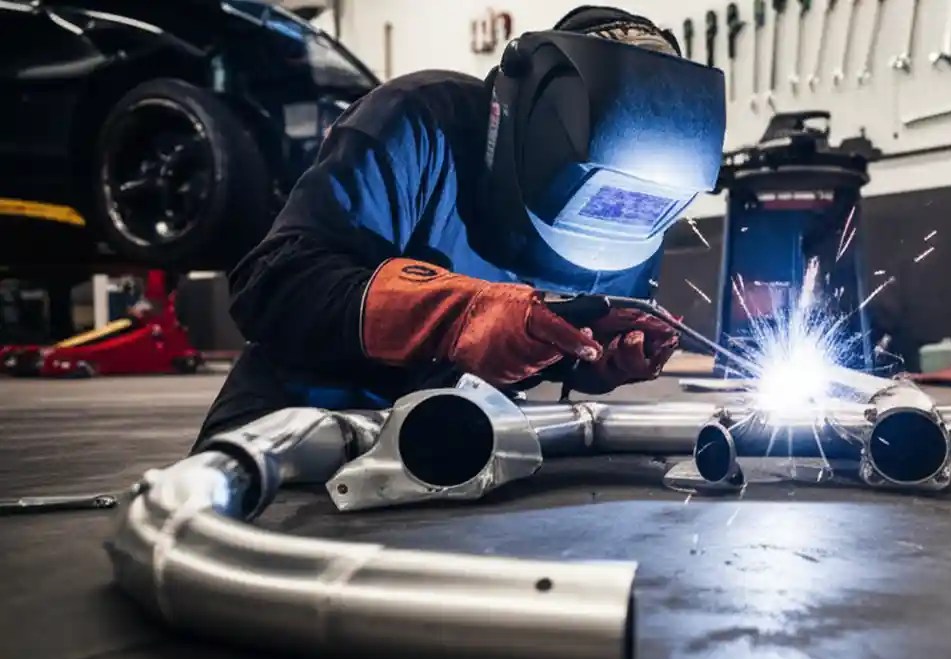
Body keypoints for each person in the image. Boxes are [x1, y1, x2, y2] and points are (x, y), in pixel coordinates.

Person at [193, 6, 726, 447]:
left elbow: (547, 347)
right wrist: (457, 316)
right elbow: (270, 286)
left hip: (455, 448)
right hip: (294, 437)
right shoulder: (420, 123)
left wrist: (593, 362)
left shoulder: (641, 203)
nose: (615, 215)